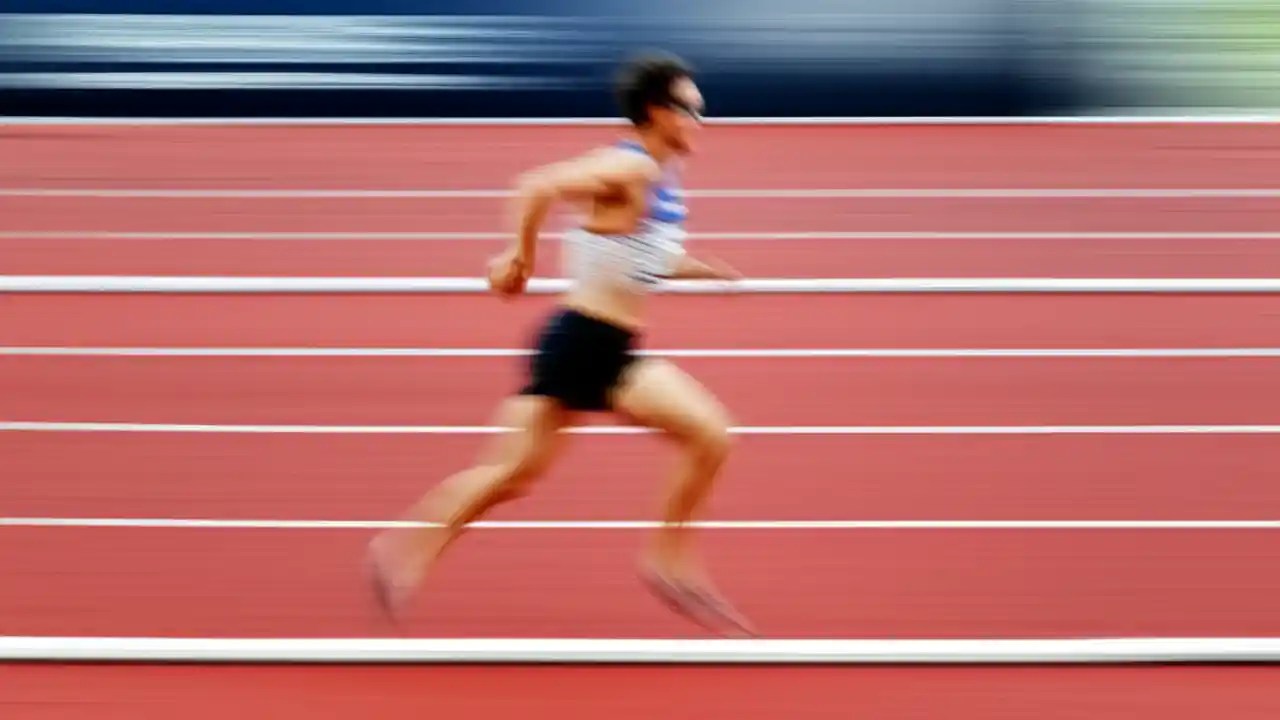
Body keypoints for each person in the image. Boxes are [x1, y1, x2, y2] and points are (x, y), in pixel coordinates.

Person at [366, 52, 755, 637]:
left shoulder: (657, 175)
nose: (701, 121)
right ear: (658, 112)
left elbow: (646, 259)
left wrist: (710, 271)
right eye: (691, 110)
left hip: (590, 344)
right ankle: (667, 560)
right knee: (709, 435)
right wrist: (518, 257)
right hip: (588, 346)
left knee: (511, 473)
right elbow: (536, 186)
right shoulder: (629, 167)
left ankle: (402, 549)